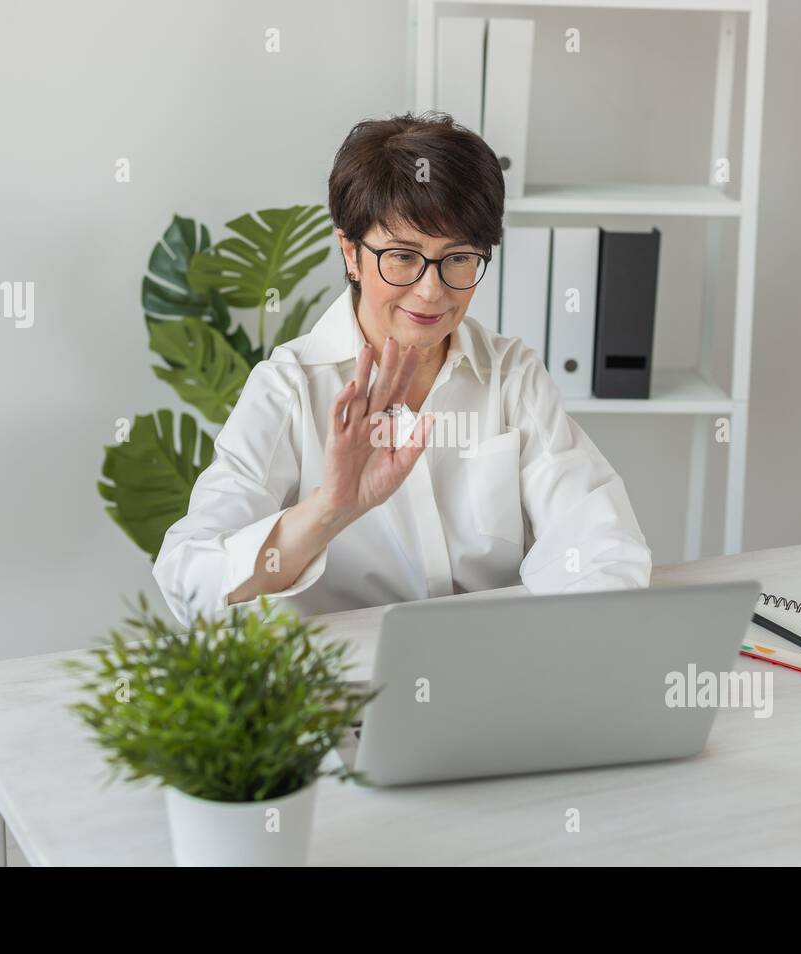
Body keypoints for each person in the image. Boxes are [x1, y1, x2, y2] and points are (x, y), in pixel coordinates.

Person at [153, 111, 651, 624]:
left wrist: (579, 642)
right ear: (351, 252)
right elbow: (190, 578)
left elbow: (598, 539)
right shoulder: (290, 387)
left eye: (458, 257)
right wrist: (330, 509)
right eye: (402, 257)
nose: (432, 290)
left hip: (491, 669)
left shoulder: (510, 374)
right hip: (348, 685)